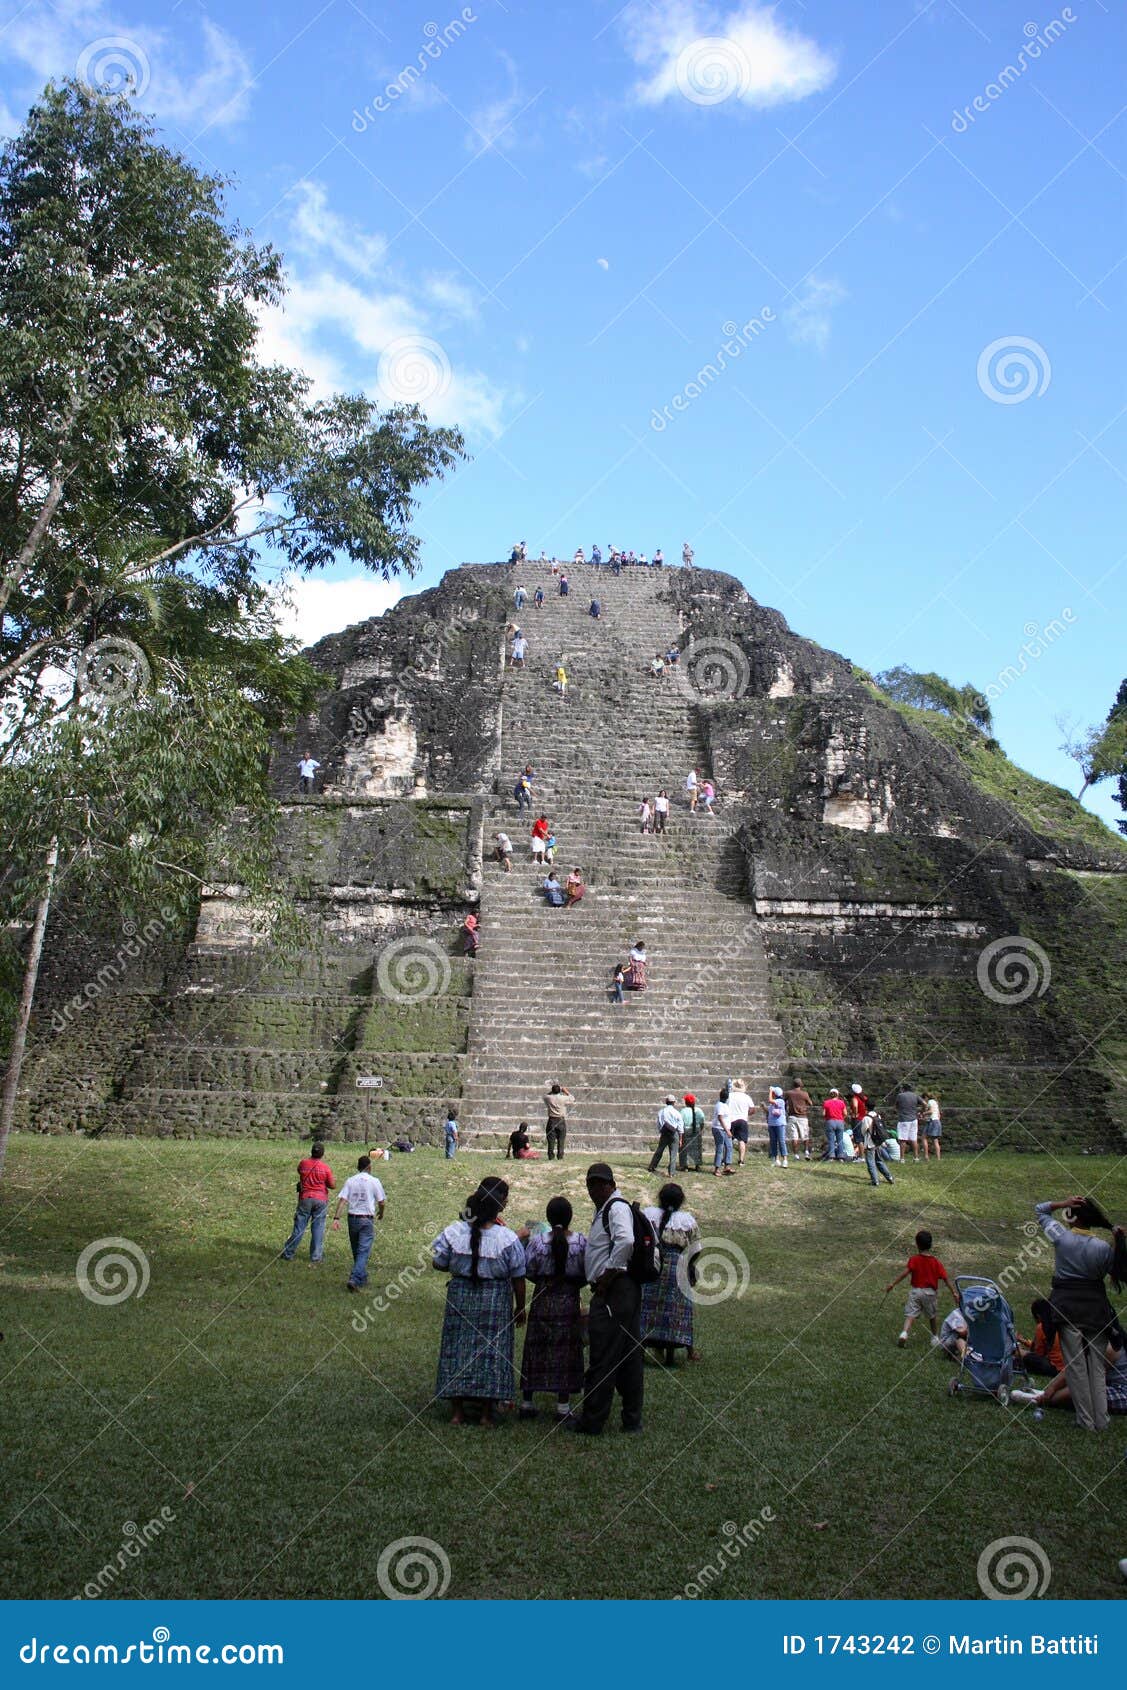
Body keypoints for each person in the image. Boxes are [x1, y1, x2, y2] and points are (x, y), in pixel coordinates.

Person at [433, 1178, 526, 1427]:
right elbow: (518, 1277)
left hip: (460, 1297)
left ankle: (457, 1413)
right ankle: (486, 1413)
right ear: (500, 1207)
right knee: (491, 1354)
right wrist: (520, 1307)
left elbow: (438, 1262)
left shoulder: (454, 1231)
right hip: (494, 1300)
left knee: (457, 1351)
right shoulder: (507, 1238)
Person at [1035, 1195, 1127, 1432]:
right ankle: (1101, 1419)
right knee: (1096, 1367)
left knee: (1076, 1366)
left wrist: (1062, 1203)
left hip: (1067, 1309)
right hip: (1097, 1311)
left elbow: (1040, 1210)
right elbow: (1114, 1270)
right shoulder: (1103, 1247)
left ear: (1073, 1217)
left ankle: (1085, 1420)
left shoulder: (1062, 1238)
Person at [568, 1164, 644, 1435]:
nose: (595, 1190)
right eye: (591, 1185)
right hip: (621, 1290)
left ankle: (592, 1421)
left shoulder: (615, 1208)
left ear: (611, 1184)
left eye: (600, 1184)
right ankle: (631, 1419)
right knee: (627, 1355)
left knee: (604, 1355)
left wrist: (608, 1276)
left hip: (614, 1290)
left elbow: (625, 1241)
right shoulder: (606, 1209)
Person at [518, 1197, 587, 1421]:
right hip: (568, 1302)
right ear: (570, 1217)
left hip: (542, 1300)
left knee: (535, 1346)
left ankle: (527, 1403)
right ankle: (563, 1407)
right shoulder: (580, 1242)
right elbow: (586, 1273)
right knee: (566, 1350)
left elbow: (527, 1270)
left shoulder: (537, 1242)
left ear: (548, 1218)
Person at [641, 1183, 701, 1364]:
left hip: (653, 1265)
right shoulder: (687, 1220)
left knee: (647, 1306)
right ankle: (689, 1350)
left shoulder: (648, 1214)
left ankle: (641, 1346)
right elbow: (696, 1248)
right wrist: (690, 1265)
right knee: (680, 1309)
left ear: (660, 1197)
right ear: (681, 1201)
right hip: (678, 1267)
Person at [1014, 1334, 1127, 1416]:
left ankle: (1039, 1399)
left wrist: (1048, 1398)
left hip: (1122, 1392)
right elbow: (1074, 1369)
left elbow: (1083, 1384)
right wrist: (1052, 1387)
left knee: (1081, 1394)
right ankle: (1041, 1396)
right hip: (1107, 1383)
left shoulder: (1109, 1347)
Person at [886, 1229, 955, 1347]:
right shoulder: (936, 1262)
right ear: (931, 1245)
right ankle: (934, 1337)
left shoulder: (914, 1259)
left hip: (916, 1291)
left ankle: (904, 1333)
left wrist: (893, 1284)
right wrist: (954, 1292)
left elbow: (905, 1273)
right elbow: (945, 1278)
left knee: (910, 1315)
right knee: (932, 1316)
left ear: (917, 1244)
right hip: (930, 1293)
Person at [331, 1154, 387, 1292]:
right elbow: (381, 1201)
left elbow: (343, 1200)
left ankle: (362, 1278)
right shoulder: (374, 1181)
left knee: (356, 1250)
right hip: (367, 1219)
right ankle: (355, 1278)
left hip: (352, 1218)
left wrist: (336, 1218)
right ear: (369, 1167)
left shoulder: (350, 1181)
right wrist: (381, 1212)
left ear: (358, 1167)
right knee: (363, 1251)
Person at [280, 1141, 336, 1262]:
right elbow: (332, 1185)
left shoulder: (303, 1163)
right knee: (318, 1228)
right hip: (321, 1199)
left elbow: (300, 1171)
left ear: (311, 1152)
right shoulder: (325, 1168)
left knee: (299, 1227)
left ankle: (288, 1253)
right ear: (322, 1154)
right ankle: (316, 1256)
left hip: (305, 1198)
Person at [1016, 1299, 1066, 1377]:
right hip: (1067, 1367)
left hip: (1055, 1369)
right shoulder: (1059, 1322)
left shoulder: (1042, 1327)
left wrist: (1021, 1351)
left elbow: (1038, 1353)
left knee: (1021, 1353)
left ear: (1038, 1316)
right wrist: (1024, 1341)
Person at [649, 1095, 684, 1176]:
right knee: (673, 1153)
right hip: (674, 1133)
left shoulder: (661, 1112)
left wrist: (661, 1131)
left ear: (666, 1102)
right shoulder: (676, 1112)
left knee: (659, 1150)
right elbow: (680, 1126)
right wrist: (681, 1139)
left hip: (664, 1132)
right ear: (674, 1102)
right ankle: (671, 1172)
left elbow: (658, 1124)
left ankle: (652, 1166)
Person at [727, 1077, 754, 1168]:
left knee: (728, 1140)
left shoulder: (730, 1096)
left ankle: (726, 1159)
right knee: (742, 1141)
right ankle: (741, 1160)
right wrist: (746, 1114)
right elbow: (753, 1109)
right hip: (742, 1119)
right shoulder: (746, 1097)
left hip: (731, 1119)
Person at [860, 1112, 893, 1187]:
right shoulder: (878, 1115)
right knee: (879, 1161)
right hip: (877, 1142)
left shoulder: (866, 1118)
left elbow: (863, 1131)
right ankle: (890, 1178)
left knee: (871, 1163)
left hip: (869, 1143)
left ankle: (875, 1181)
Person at [784, 1077, 813, 1161]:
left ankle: (796, 1155)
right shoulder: (805, 1094)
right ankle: (806, 1152)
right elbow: (810, 1103)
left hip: (792, 1117)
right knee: (805, 1136)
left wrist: (786, 1108)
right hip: (803, 1117)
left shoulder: (789, 1093)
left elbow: (783, 1101)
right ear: (801, 1085)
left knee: (794, 1137)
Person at [544, 1082, 573, 1160]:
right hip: (560, 1120)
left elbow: (545, 1096)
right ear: (559, 1091)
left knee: (551, 1140)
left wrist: (552, 1091)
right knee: (561, 1140)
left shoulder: (548, 1098)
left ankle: (551, 1156)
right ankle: (560, 1156)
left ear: (552, 1091)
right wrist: (565, 1091)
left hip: (551, 1120)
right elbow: (572, 1098)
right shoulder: (563, 1098)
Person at [894, 1081, 921, 1162]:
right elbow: (925, 1104)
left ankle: (902, 1158)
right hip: (914, 1119)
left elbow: (895, 1106)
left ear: (903, 1089)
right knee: (914, 1139)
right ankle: (916, 1157)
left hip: (904, 1119)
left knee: (902, 1139)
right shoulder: (915, 1095)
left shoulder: (900, 1095)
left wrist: (899, 1110)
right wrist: (920, 1112)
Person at [679, 1093, 705, 1171]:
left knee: (685, 1148)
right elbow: (702, 1121)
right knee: (697, 1148)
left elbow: (680, 1122)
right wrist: (700, 1129)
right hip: (696, 1129)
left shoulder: (683, 1111)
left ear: (686, 1102)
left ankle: (685, 1165)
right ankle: (697, 1165)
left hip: (686, 1130)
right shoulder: (699, 1110)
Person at [712, 1086, 734, 1177]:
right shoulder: (720, 1105)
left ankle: (727, 1166)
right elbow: (720, 1118)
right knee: (720, 1148)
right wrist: (727, 1130)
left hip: (725, 1129)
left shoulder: (725, 1105)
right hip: (719, 1129)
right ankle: (717, 1169)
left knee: (729, 1146)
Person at [766, 1086, 788, 1168]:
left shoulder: (781, 1101)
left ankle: (785, 1159)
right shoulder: (774, 1103)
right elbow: (770, 1111)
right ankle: (776, 1159)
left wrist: (770, 1091)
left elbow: (770, 1100)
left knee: (781, 1141)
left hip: (779, 1124)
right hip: (772, 1124)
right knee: (773, 1142)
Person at [822, 1087, 846, 1161]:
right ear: (837, 1094)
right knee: (840, 1140)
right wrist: (842, 1118)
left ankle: (831, 1156)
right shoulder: (841, 1102)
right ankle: (841, 1157)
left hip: (830, 1121)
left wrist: (827, 1118)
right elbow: (845, 1113)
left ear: (830, 1095)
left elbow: (823, 1113)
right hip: (840, 1121)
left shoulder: (826, 1102)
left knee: (831, 1140)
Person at [922, 1094, 942, 1160]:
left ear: (926, 1097)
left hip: (932, 1121)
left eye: (924, 1099)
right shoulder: (936, 1102)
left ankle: (926, 1156)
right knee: (935, 1140)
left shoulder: (930, 1101)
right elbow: (938, 1115)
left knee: (924, 1138)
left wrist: (923, 1114)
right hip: (937, 1121)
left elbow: (931, 1111)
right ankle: (938, 1158)